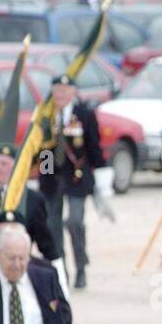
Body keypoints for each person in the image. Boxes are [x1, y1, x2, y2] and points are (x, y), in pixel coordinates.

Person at [36, 75, 110, 291]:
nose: (59, 94)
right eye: (56, 90)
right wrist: (45, 176)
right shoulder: (46, 116)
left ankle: (81, 267)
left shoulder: (84, 115)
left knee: (75, 222)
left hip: (77, 177)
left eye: (64, 90)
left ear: (72, 92)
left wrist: (103, 177)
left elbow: (94, 147)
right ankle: (61, 271)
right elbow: (44, 151)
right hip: (52, 179)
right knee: (52, 227)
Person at [0, 142, 67, 289]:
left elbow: (47, 246)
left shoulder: (32, 199)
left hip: (63, 184)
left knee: (63, 225)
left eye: (4, 164)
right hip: (48, 181)